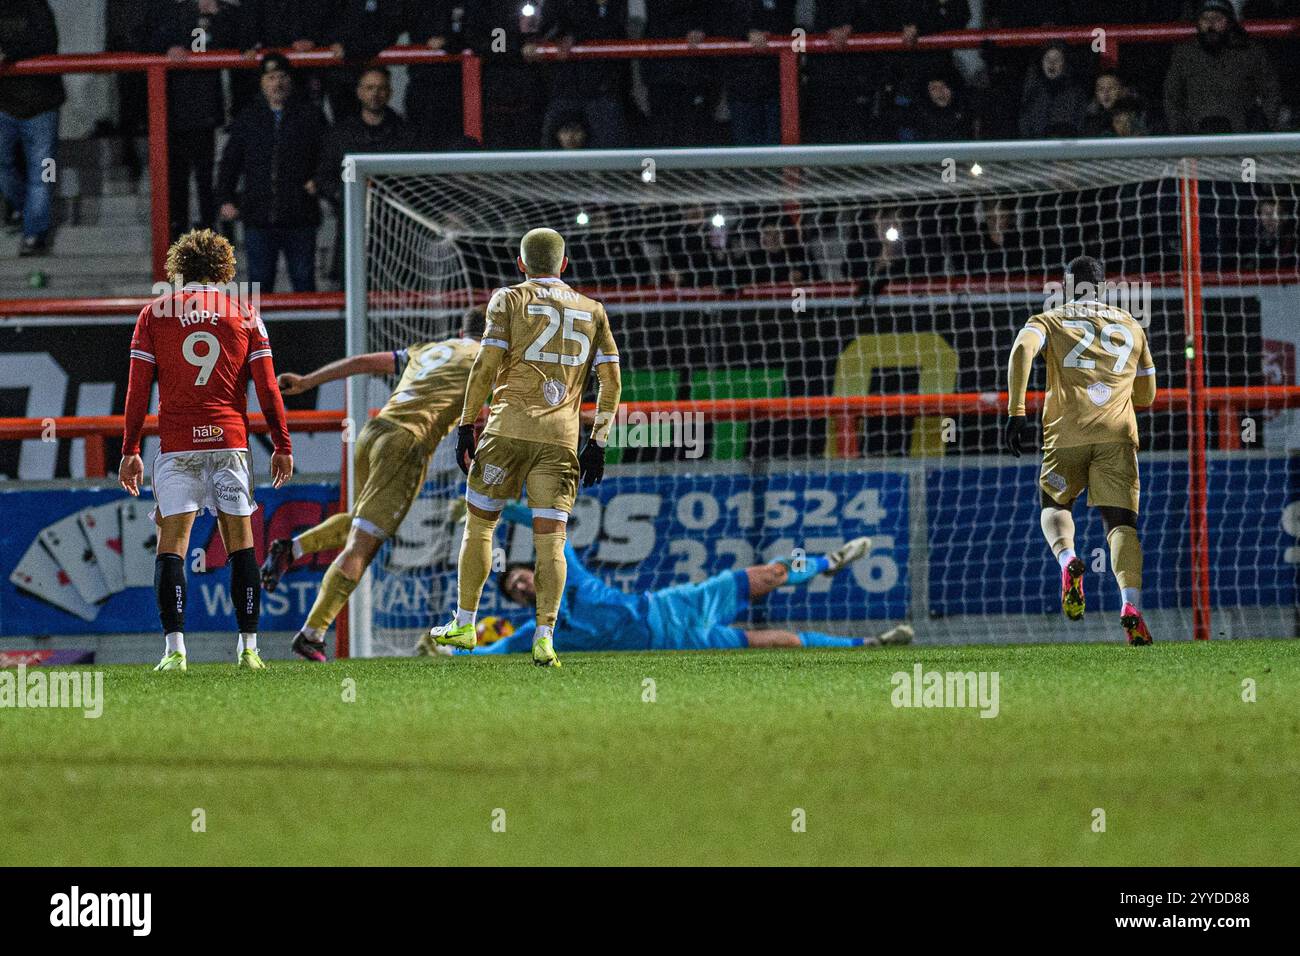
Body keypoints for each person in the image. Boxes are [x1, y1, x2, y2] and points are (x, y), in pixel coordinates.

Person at [427, 228, 623, 667]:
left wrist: (465, 426)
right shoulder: (593, 310)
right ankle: (546, 635)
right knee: (552, 539)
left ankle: (464, 622)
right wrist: (599, 441)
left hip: (506, 431)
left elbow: (485, 366)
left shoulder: (508, 299)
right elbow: (611, 381)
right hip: (560, 438)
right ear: (564, 264)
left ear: (521, 265)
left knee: (479, 526)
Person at [260, 307, 486, 662]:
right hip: (407, 445)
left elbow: (362, 362)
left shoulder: (427, 349)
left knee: (357, 521)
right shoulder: (488, 360)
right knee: (363, 546)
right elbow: (483, 416)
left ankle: (292, 548)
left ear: (460, 330)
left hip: (374, 431)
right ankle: (312, 633)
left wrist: (307, 381)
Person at [118, 230, 294, 672]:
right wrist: (281, 443)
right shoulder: (245, 312)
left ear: (178, 268)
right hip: (229, 441)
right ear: (223, 268)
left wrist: (130, 449)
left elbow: (138, 390)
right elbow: (268, 388)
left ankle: (175, 650)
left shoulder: (154, 313)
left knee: (172, 546)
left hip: (177, 445)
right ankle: (248, 648)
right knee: (242, 547)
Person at [422, 501, 913, 656]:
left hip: (674, 607)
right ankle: (865, 647)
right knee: (772, 643)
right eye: (515, 591)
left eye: (521, 577)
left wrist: (482, 509)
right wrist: (444, 650)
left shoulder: (566, 569)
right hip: (681, 647)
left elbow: (539, 518)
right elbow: (490, 653)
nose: (522, 585)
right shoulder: (539, 634)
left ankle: (830, 561)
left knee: (766, 575)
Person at [1003, 255, 1157, 645]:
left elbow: (1022, 350)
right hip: (1116, 436)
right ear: (1104, 287)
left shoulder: (1051, 320)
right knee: (1121, 524)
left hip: (1065, 434)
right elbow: (1147, 395)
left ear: (1067, 287)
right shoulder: (1131, 325)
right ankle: (1130, 605)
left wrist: (1016, 412)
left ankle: (1069, 560)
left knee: (1055, 505)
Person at [216, 53, 326, 292]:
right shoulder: (248, 118)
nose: (277, 83)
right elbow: (229, 163)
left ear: (291, 81)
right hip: (258, 217)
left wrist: (319, 181)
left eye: (282, 77)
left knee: (304, 280)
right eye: (271, 77)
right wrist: (225, 198)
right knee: (260, 284)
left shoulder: (310, 116)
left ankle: (304, 331)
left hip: (300, 215)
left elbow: (329, 156)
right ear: (262, 82)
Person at [150, 0, 245, 240]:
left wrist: (216, 16)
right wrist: (169, 47)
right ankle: (178, 228)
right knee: (178, 173)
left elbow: (236, 41)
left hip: (212, 107)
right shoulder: (173, 11)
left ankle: (209, 226)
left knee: (208, 172)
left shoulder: (227, 13)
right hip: (176, 106)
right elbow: (149, 38)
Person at [316, 66, 407, 282]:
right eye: (369, 88)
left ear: (390, 92)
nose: (375, 94)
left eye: (381, 88)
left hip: (395, 230)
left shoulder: (406, 133)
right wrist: (347, 195)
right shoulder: (340, 135)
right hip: (352, 228)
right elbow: (324, 177)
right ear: (359, 92)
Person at [0, 0, 65, 256]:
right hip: (5, 104)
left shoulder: (37, 6)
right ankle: (25, 211)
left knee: (43, 174)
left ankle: (34, 233)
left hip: (42, 105)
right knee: (4, 165)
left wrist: (9, 53)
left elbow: (46, 41)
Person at [1163, 0, 1281, 135]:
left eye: (1217, 19)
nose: (1210, 24)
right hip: (1196, 135)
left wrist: (1262, 126)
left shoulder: (1250, 52)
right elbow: (1172, 97)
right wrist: (1181, 131)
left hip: (1241, 134)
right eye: (1205, 19)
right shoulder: (1185, 54)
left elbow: (1271, 92)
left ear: (1229, 22)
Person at [534, 0, 631, 149]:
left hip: (600, 87)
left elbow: (613, 25)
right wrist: (549, 37)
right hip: (563, 87)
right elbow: (546, 25)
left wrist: (576, 36)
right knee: (554, 162)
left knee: (608, 157)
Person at [1018, 42, 1087, 138]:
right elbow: (1024, 121)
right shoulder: (1032, 89)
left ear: (1064, 63)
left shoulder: (1076, 92)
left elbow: (1079, 123)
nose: (1052, 63)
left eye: (1057, 59)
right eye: (1047, 59)